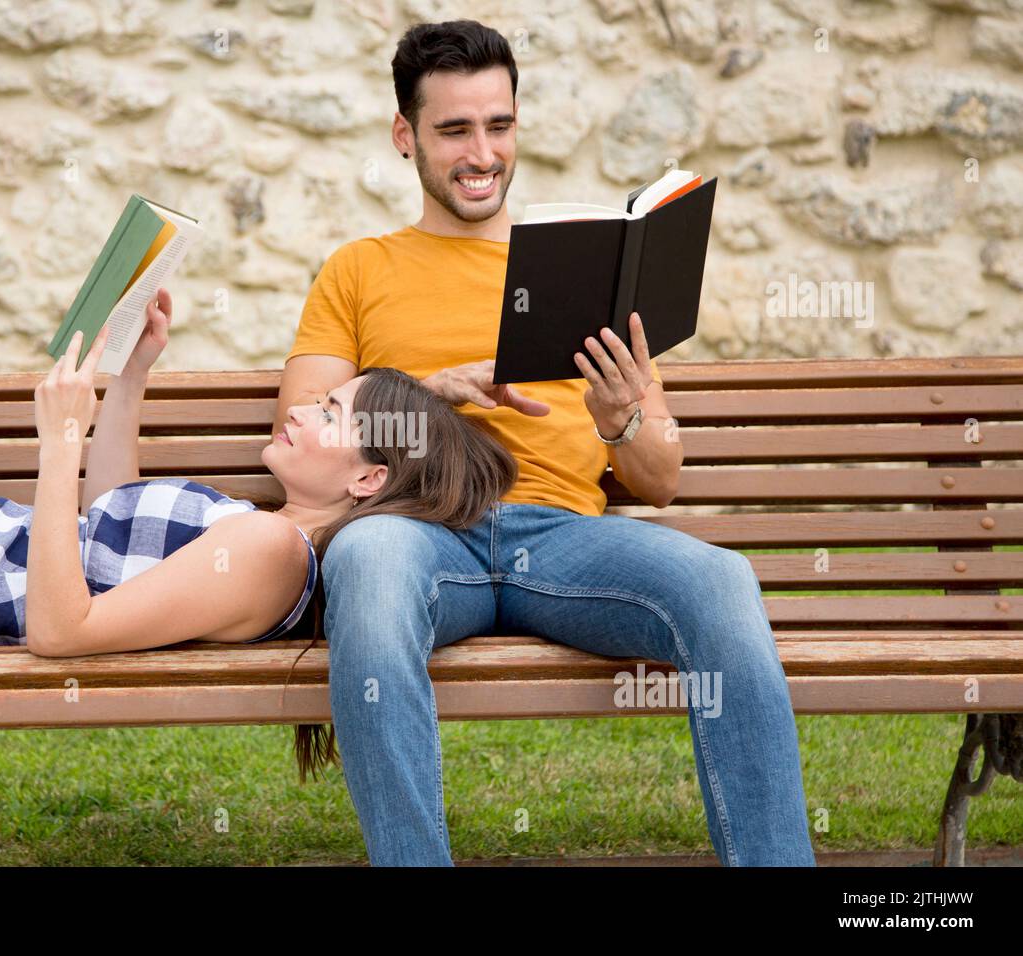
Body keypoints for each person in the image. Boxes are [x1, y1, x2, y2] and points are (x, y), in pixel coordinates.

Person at [273, 19, 816, 866]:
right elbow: (302, 425)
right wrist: (428, 393)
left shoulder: (587, 268)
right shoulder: (359, 269)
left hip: (562, 542)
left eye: (500, 125)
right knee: (367, 563)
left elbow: (661, 477)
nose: (481, 152)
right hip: (421, 531)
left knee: (721, 582)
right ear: (405, 135)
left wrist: (621, 420)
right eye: (454, 130)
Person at [0, 282, 518, 780]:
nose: (305, 406)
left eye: (332, 411)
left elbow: (63, 630)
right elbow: (111, 515)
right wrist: (133, 373)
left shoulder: (271, 552)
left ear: (368, 479)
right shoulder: (262, 536)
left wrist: (60, 439)